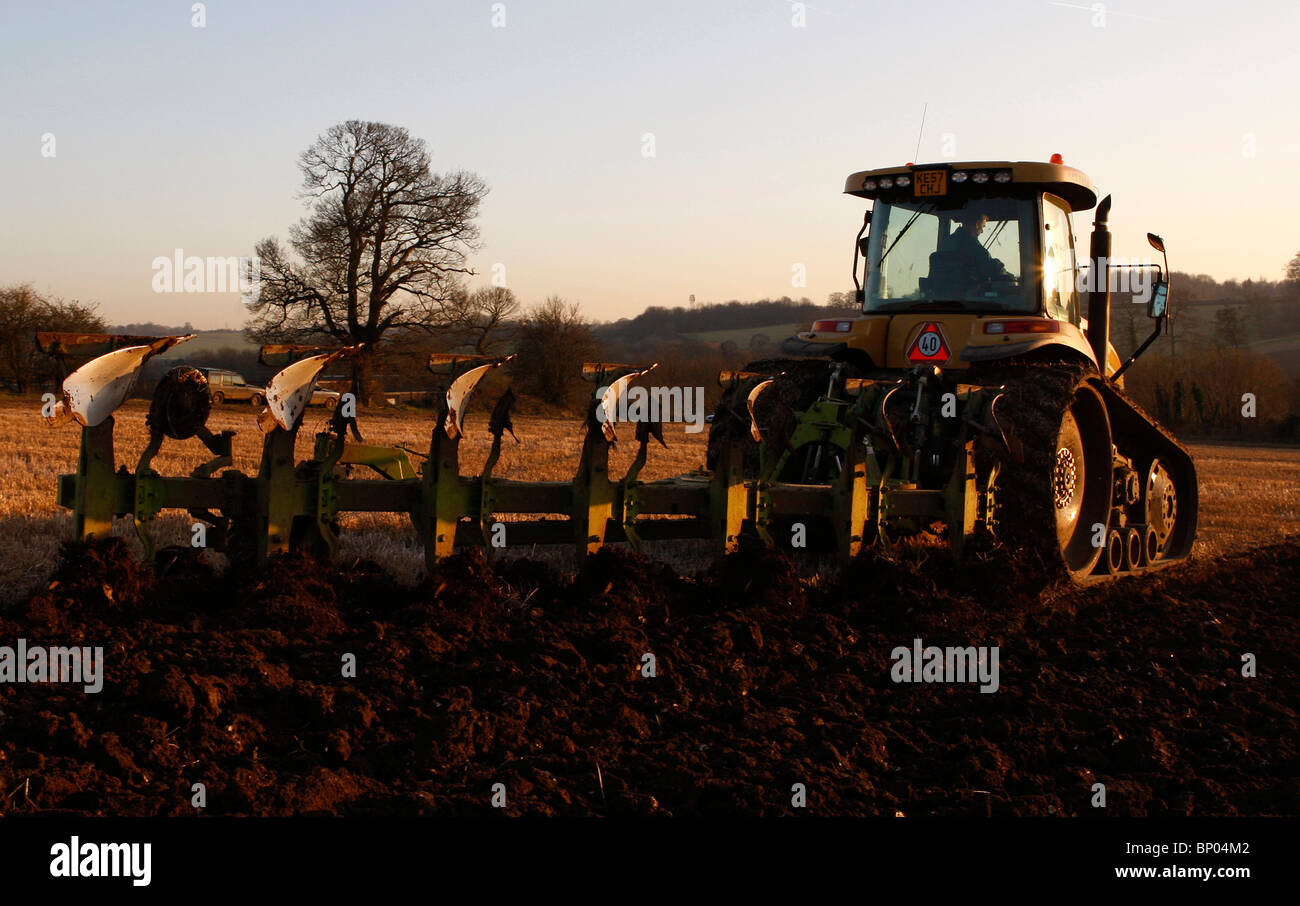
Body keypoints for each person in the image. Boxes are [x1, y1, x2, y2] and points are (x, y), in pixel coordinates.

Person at [940, 209, 1010, 291]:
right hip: (967, 296)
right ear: (977, 224)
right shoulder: (976, 248)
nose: (982, 231)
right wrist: (1008, 275)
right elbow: (992, 268)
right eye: (983, 226)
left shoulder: (946, 243)